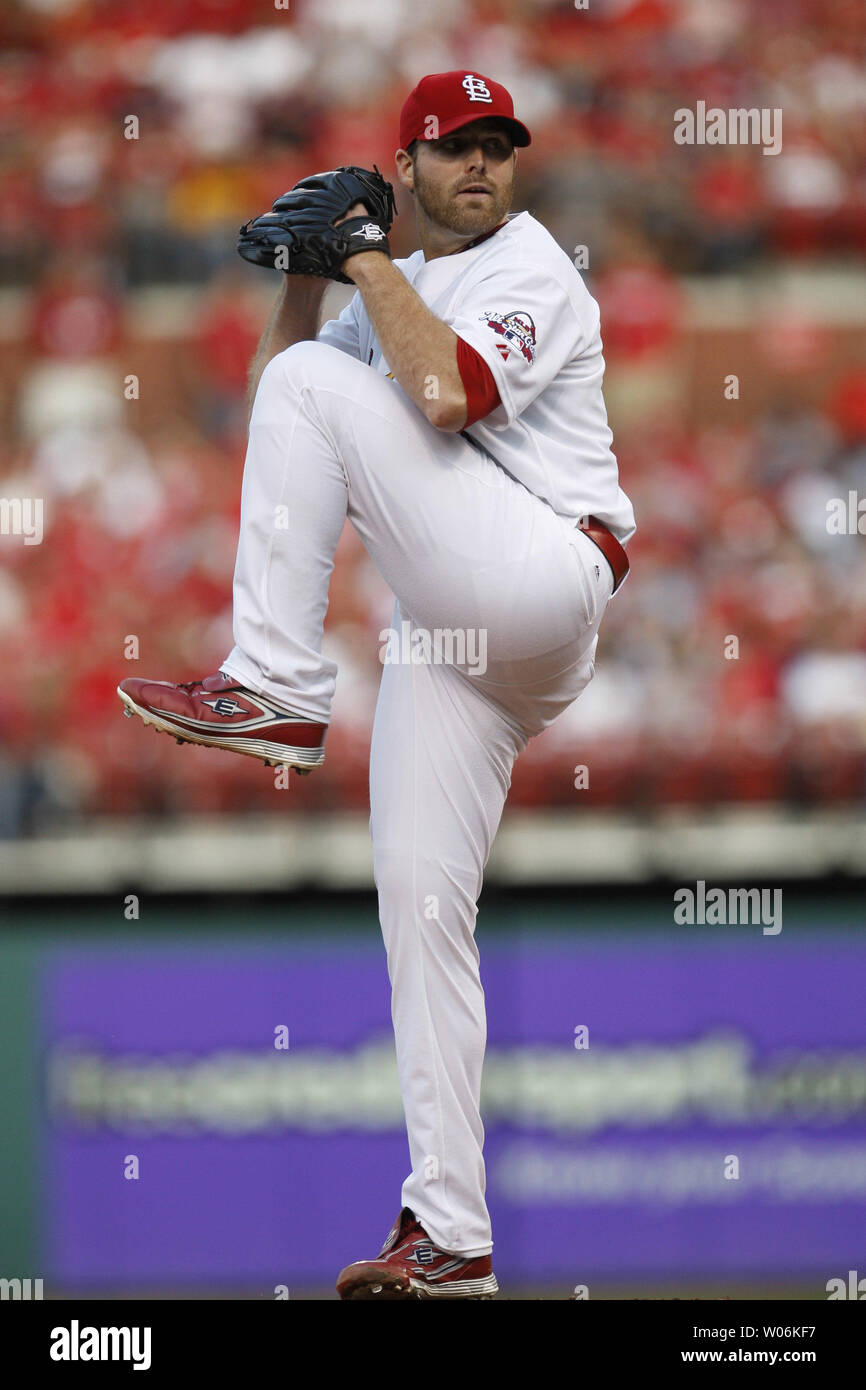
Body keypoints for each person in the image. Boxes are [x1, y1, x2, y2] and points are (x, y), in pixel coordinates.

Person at [118, 70, 635, 1300]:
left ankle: (275, 687)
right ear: (403, 167)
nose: (480, 166)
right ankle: (450, 1236)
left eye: (497, 148)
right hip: (451, 632)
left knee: (323, 391)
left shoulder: (528, 268)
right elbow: (283, 408)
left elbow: (446, 392)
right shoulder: (381, 285)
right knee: (417, 906)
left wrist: (362, 260)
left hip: (543, 570)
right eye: (453, 147)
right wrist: (308, 269)